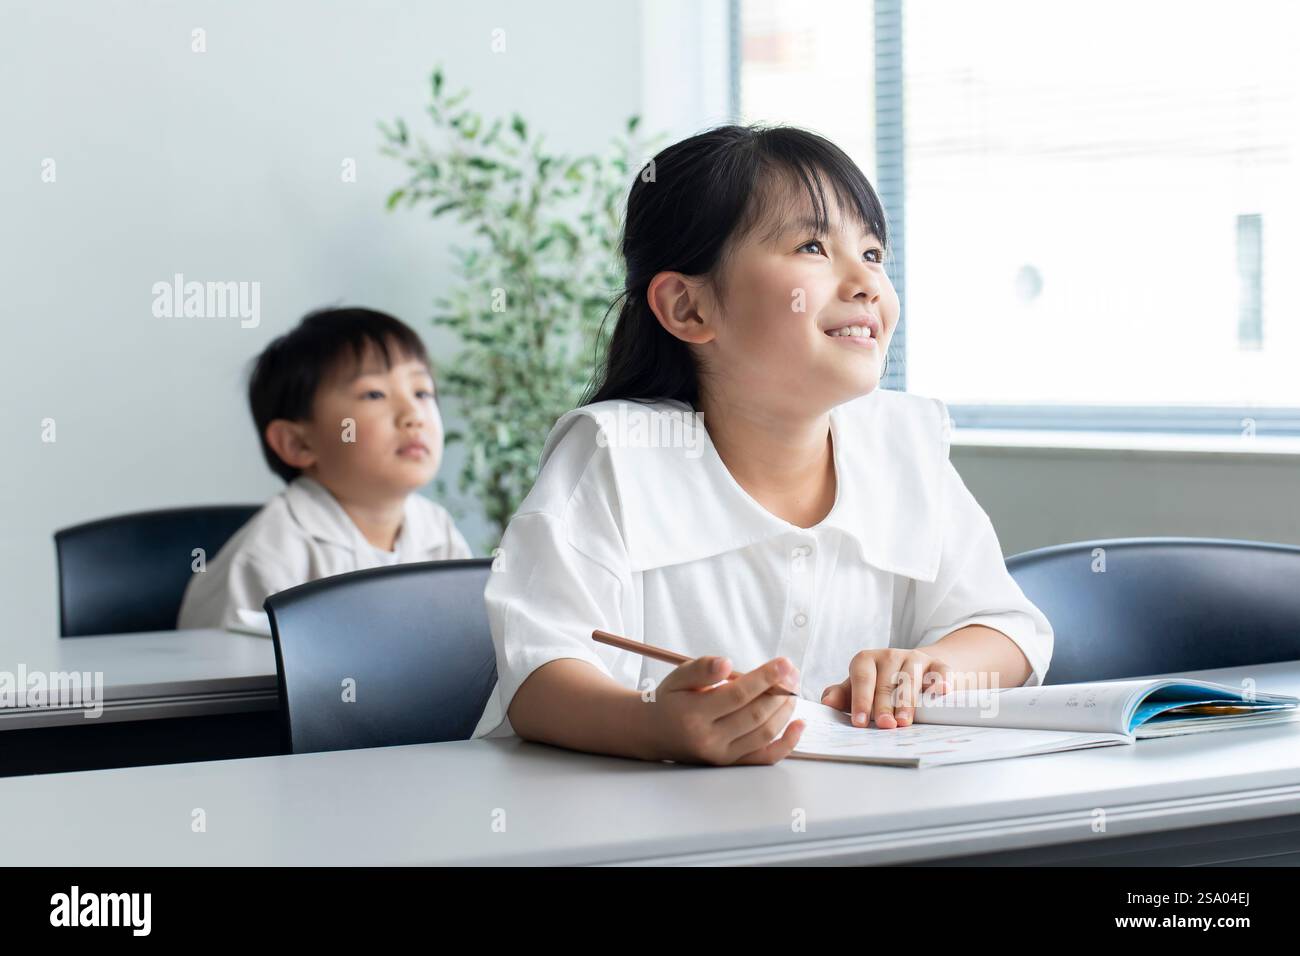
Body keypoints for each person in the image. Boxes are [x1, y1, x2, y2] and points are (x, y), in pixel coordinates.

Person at [474, 125, 1053, 765]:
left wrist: (931, 667)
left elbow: (1009, 630)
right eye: (811, 246)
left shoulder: (903, 443)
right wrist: (657, 725)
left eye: (873, 252)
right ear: (689, 308)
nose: (865, 282)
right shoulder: (616, 452)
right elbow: (538, 673)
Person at [178, 307, 471, 632]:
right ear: (298, 444)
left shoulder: (437, 529)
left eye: (422, 392)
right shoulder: (269, 552)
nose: (413, 414)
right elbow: (236, 676)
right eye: (374, 394)